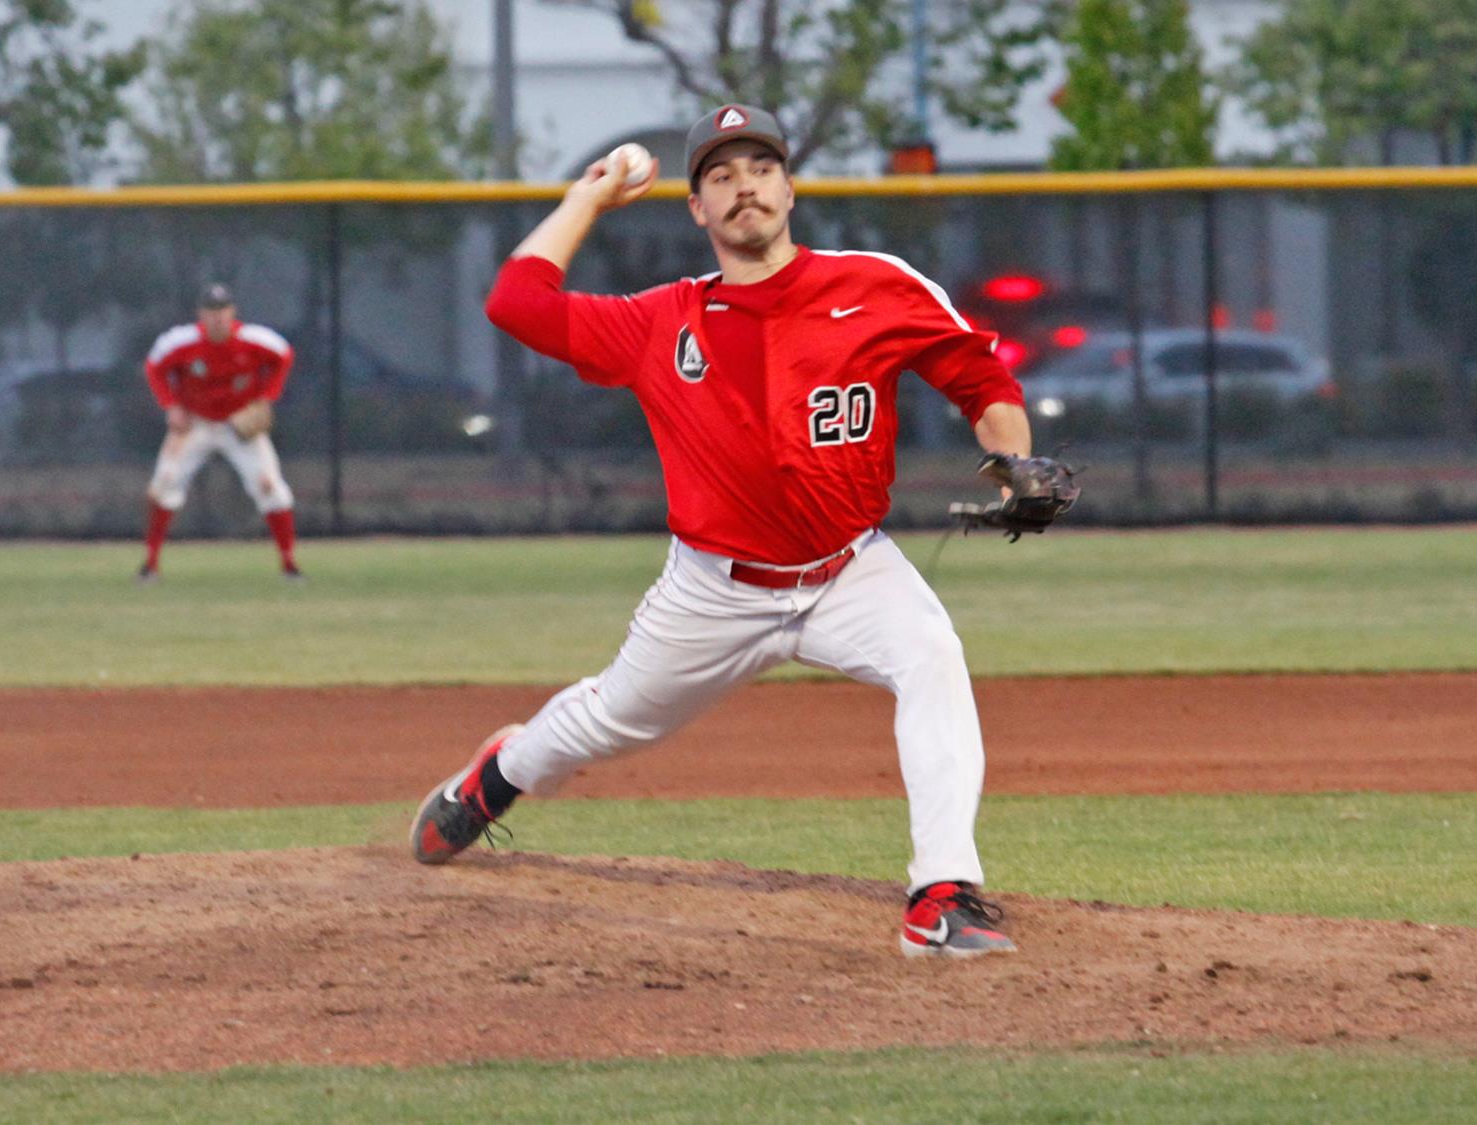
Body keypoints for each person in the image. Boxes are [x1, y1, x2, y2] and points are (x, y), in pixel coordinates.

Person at [410, 105, 1033, 959]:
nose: (745, 185)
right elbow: (516, 302)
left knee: (932, 653)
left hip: (852, 568)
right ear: (697, 209)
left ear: (788, 187)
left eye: (760, 166)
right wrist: (587, 198)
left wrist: (1014, 464)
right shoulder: (660, 321)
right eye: (720, 175)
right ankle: (499, 775)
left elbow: (980, 378)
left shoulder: (875, 283)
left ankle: (942, 896)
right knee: (609, 721)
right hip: (714, 589)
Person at [136, 283, 302, 582]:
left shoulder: (254, 340)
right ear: (201, 314)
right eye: (211, 312)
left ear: (232, 312)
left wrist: (267, 396)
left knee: (269, 486)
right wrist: (171, 405)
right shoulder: (180, 342)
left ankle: (289, 565)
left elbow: (284, 356)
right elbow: (153, 367)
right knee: (164, 483)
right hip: (195, 423)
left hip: (238, 425)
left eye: (222, 311)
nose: (217, 318)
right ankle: (150, 565)